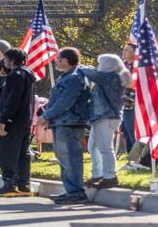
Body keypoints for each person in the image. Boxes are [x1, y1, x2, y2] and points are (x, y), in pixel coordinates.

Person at [37, 47, 93, 205]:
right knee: (64, 158)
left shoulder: (75, 77)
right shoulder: (68, 77)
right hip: (62, 122)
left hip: (70, 123)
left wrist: (46, 116)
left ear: (66, 60)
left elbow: (66, 101)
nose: (55, 61)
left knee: (70, 158)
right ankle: (71, 191)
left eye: (58, 59)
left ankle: (76, 193)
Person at [0, 48, 36, 197]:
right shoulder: (27, 74)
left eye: (4, 59)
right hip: (24, 120)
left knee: (5, 151)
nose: (3, 62)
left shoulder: (14, 76)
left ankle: (9, 183)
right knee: (22, 153)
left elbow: (12, 101)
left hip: (12, 120)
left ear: (10, 60)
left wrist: (3, 120)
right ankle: (23, 184)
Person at [83, 54, 126, 190]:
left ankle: (110, 176)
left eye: (100, 63)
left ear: (107, 65)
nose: (98, 66)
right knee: (93, 147)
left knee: (105, 148)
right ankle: (98, 173)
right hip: (101, 117)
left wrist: (80, 68)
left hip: (106, 117)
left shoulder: (112, 77)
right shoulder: (110, 77)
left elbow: (91, 74)